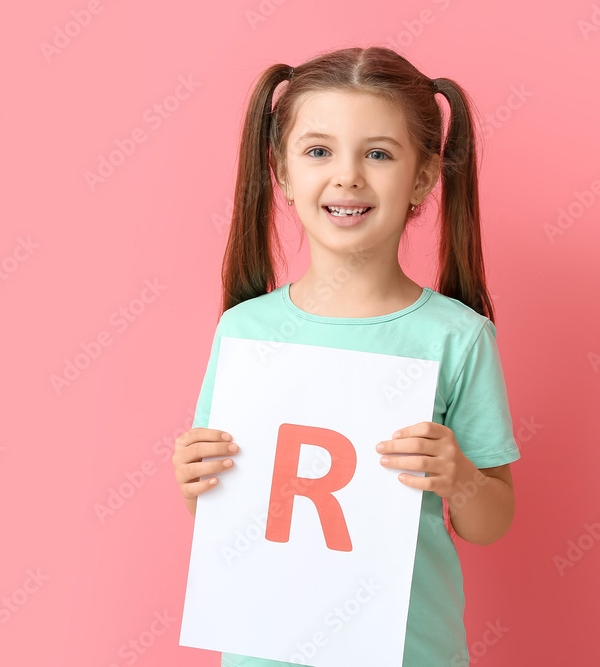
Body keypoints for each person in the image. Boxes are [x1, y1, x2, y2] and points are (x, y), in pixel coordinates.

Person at [172, 46, 520, 667]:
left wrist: (460, 476)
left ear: (422, 176)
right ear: (280, 170)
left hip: (411, 652)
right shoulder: (245, 330)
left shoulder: (456, 338)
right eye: (318, 151)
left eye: (379, 154)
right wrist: (194, 478)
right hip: (265, 650)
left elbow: (490, 521)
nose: (348, 176)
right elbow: (223, 503)